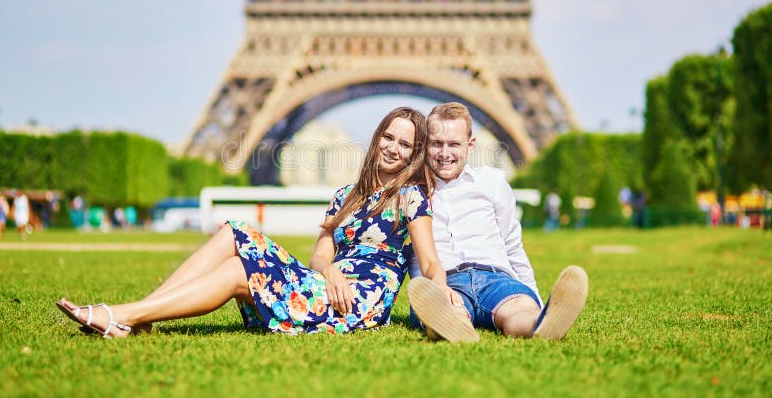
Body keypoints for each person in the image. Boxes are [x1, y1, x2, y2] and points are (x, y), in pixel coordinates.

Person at [56, 107, 456, 339]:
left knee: (236, 272)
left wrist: (442, 296)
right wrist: (330, 270)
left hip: (357, 300)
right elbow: (321, 253)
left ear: (413, 155)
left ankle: (127, 316)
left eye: (405, 145)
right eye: (389, 137)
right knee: (234, 231)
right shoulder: (346, 195)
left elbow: (430, 261)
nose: (393, 148)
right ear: (377, 138)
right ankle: (137, 314)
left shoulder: (410, 197)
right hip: (326, 284)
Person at [407, 102, 588, 342]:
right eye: (436, 144)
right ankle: (453, 324)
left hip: (495, 278)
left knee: (519, 310)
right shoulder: (410, 191)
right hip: (444, 281)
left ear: (470, 145)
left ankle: (539, 323)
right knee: (449, 309)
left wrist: (534, 297)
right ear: (425, 145)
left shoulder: (492, 182)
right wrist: (430, 285)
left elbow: (513, 245)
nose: (444, 153)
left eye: (454, 144)